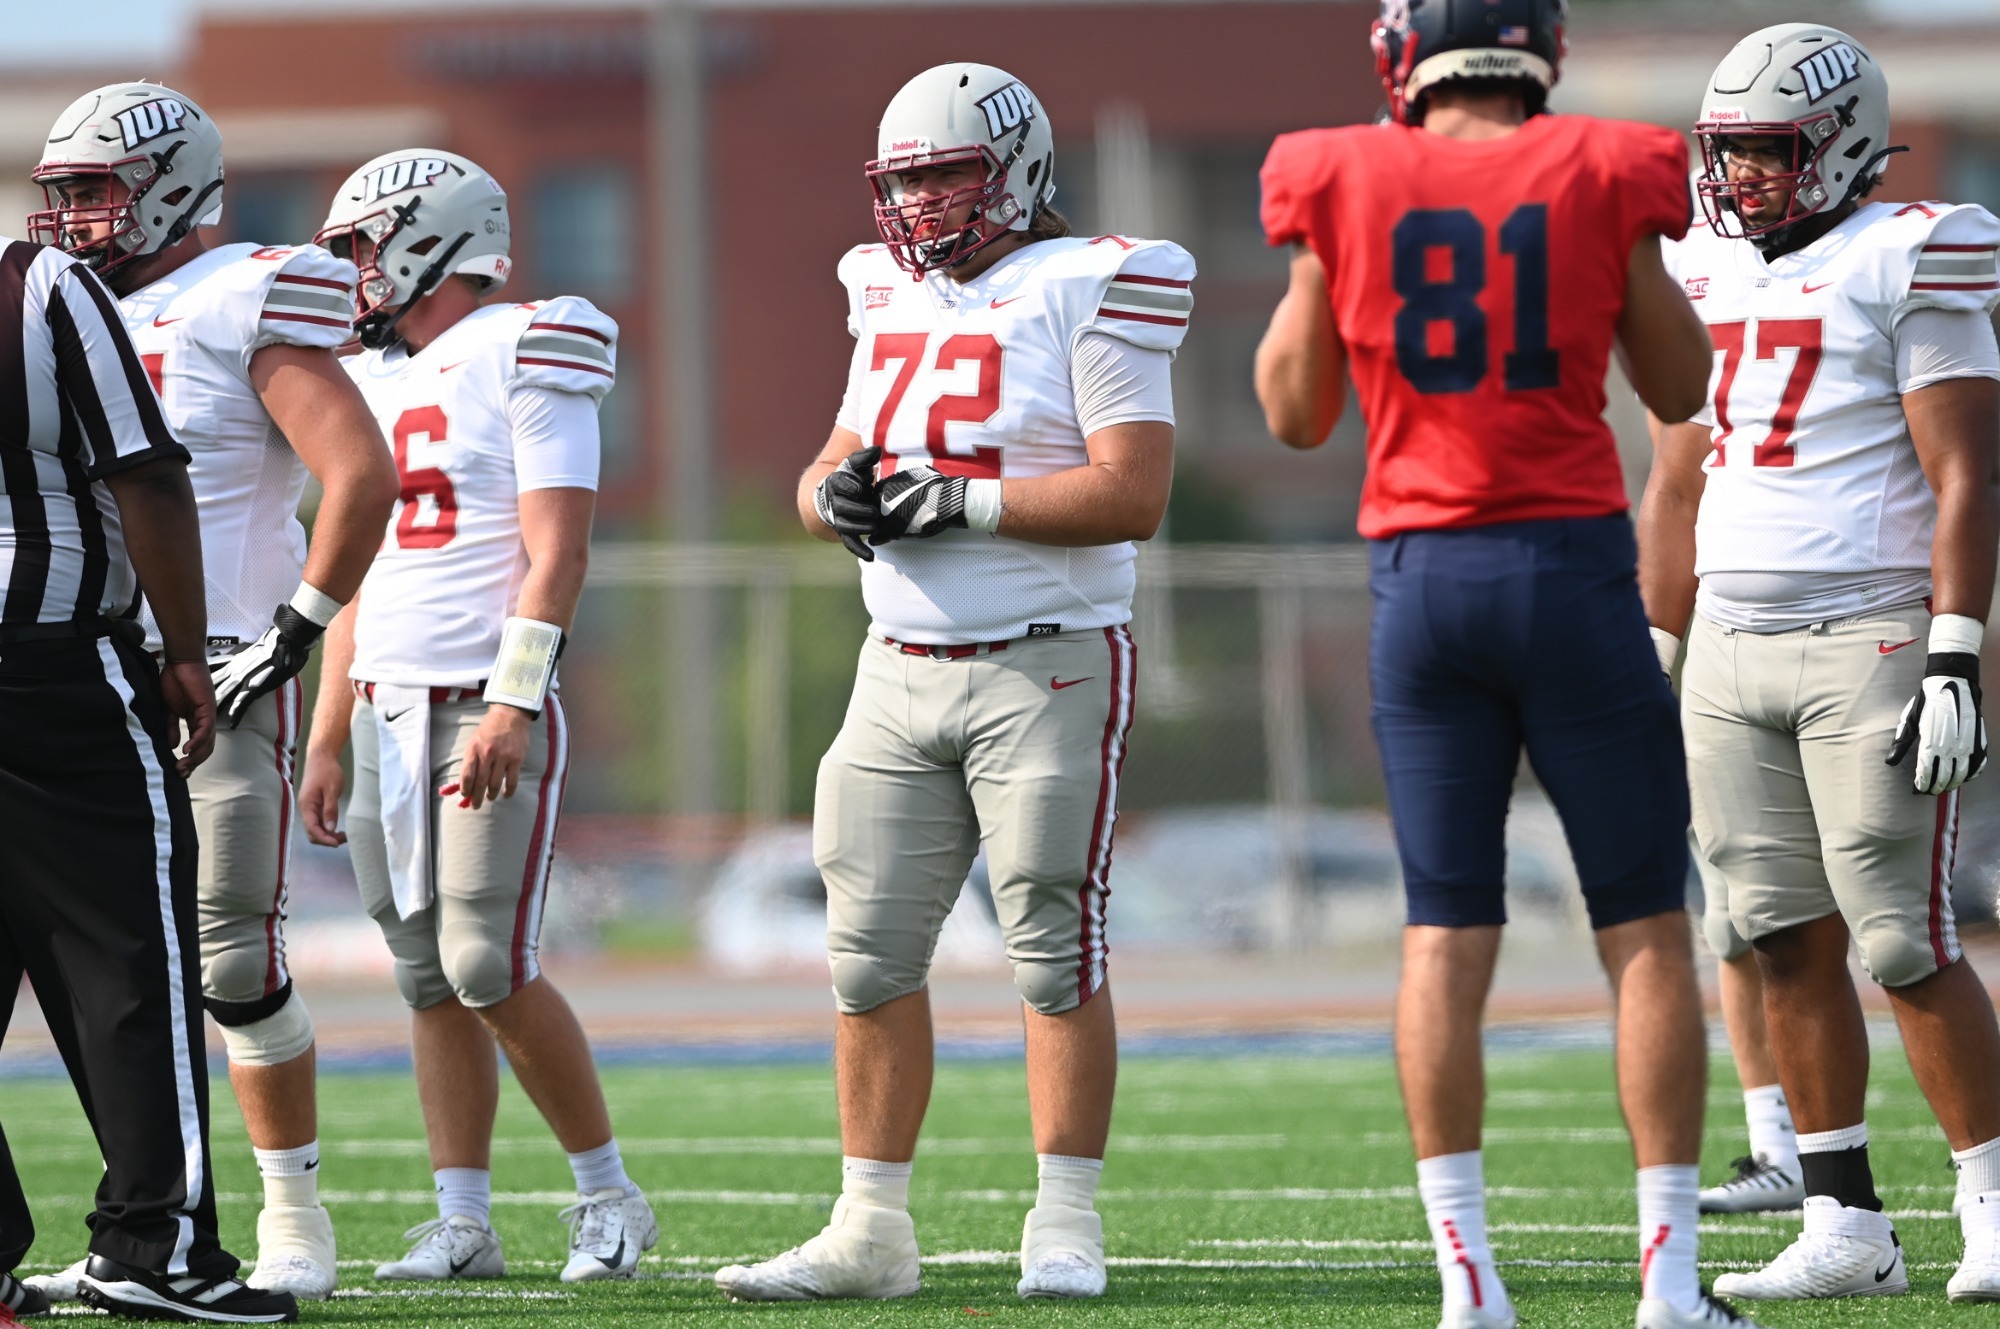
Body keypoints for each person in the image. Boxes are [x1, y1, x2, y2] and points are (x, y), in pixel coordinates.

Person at [1254, 3, 1750, 1326]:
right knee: (1644, 927)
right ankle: (1671, 1284)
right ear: (1542, 52)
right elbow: (1680, 379)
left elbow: (1294, 415)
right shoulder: (1603, 163)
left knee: (1444, 930)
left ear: (1404, 63)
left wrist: (1335, 251)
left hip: (1422, 583)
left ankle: (1467, 1282)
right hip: (1572, 572)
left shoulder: (1339, 171)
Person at [713, 62, 1190, 1304]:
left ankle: (1064, 1221)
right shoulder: (882, 290)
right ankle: (869, 1228)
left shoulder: (1093, 281)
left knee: (1049, 945)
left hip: (1045, 660)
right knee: (865, 958)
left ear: (1018, 170)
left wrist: (969, 501)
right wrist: (836, 500)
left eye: (947, 174)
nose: (922, 204)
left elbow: (1132, 490)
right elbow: (825, 468)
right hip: (894, 670)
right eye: (907, 179)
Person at [1638, 22, 2000, 1302]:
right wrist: (1658, 645)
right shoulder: (1698, 270)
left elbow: (1967, 472)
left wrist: (1954, 650)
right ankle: (1845, 1220)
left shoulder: (1914, 248)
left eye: (1766, 153)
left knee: (1901, 940)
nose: (1739, 179)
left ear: (1841, 145)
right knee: (1775, 936)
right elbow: (1675, 480)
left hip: (1870, 632)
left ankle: (1990, 1202)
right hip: (1730, 643)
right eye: (1726, 153)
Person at [23, 82, 397, 1303]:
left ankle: (290, 1216)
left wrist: (299, 627)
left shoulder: (243, 292)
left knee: (224, 955)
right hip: (76, 665)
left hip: (214, 662)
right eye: (62, 193)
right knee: (98, 965)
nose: (76, 217)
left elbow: (358, 471)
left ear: (173, 183)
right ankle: (142, 1234)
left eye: (96, 191)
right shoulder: (44, 303)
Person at [297, 148, 654, 1284]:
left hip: (477, 703)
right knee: (422, 975)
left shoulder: (524, 344)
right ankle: (463, 1219)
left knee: (483, 959)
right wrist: (324, 732)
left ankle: (609, 1197)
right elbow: (352, 576)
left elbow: (559, 552)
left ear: (428, 239)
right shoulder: (364, 381)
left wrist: (513, 698)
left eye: (362, 244)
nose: (351, 269)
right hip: (382, 702)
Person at [0, 230, 297, 1321]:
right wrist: (183, 650)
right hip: (45, 662)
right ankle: (155, 1246)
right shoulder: (35, 284)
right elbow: (146, 472)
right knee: (129, 954)